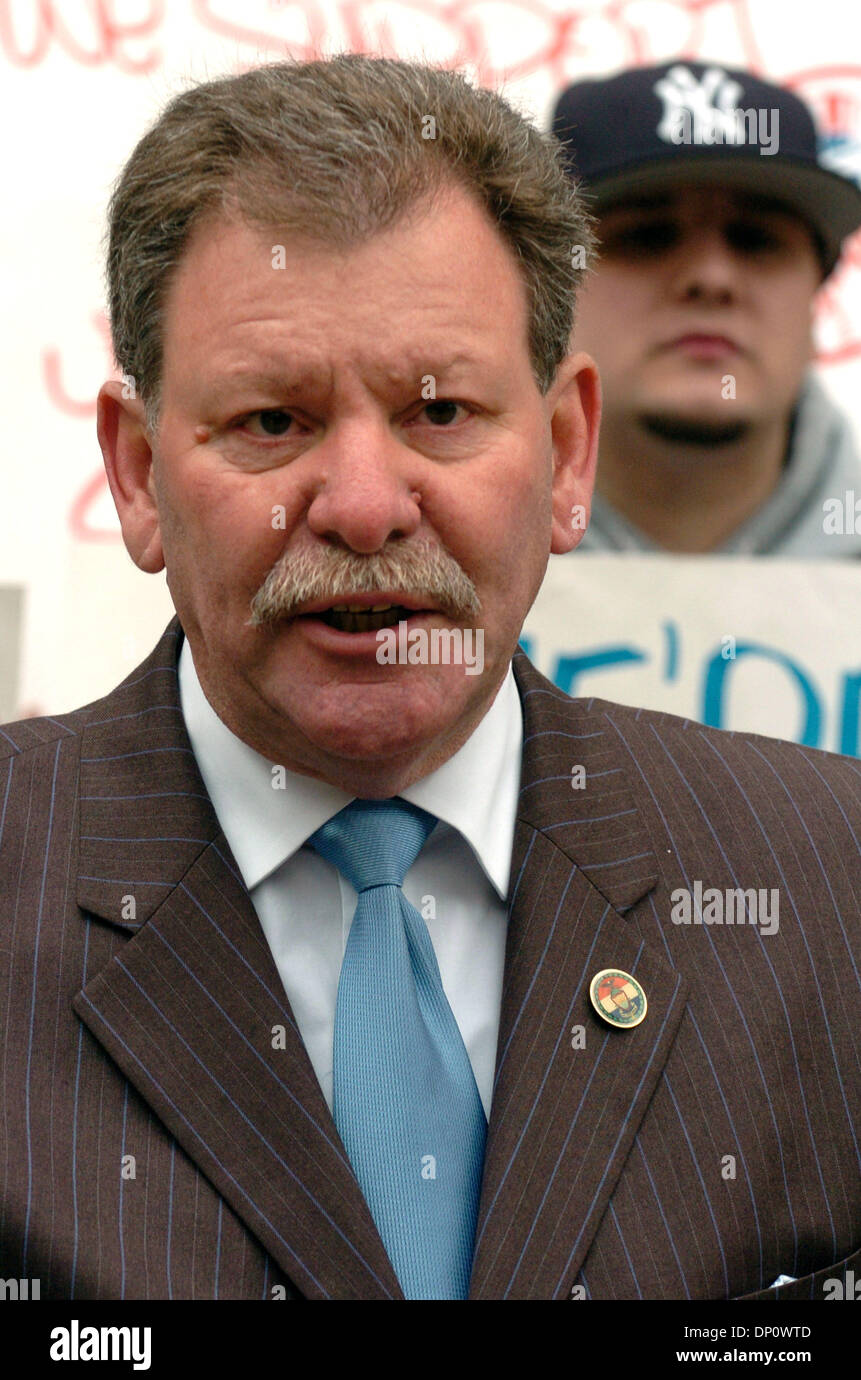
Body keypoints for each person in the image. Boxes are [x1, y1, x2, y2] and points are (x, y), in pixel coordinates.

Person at [1, 54, 858, 1302]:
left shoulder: (828, 886)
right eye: (271, 421)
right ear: (136, 475)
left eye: (442, 411)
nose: (360, 506)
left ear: (568, 453)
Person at [552, 61, 861, 554]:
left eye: (757, 240)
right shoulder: (418, 548)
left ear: (816, 297)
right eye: (647, 237)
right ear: (549, 285)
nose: (711, 278)